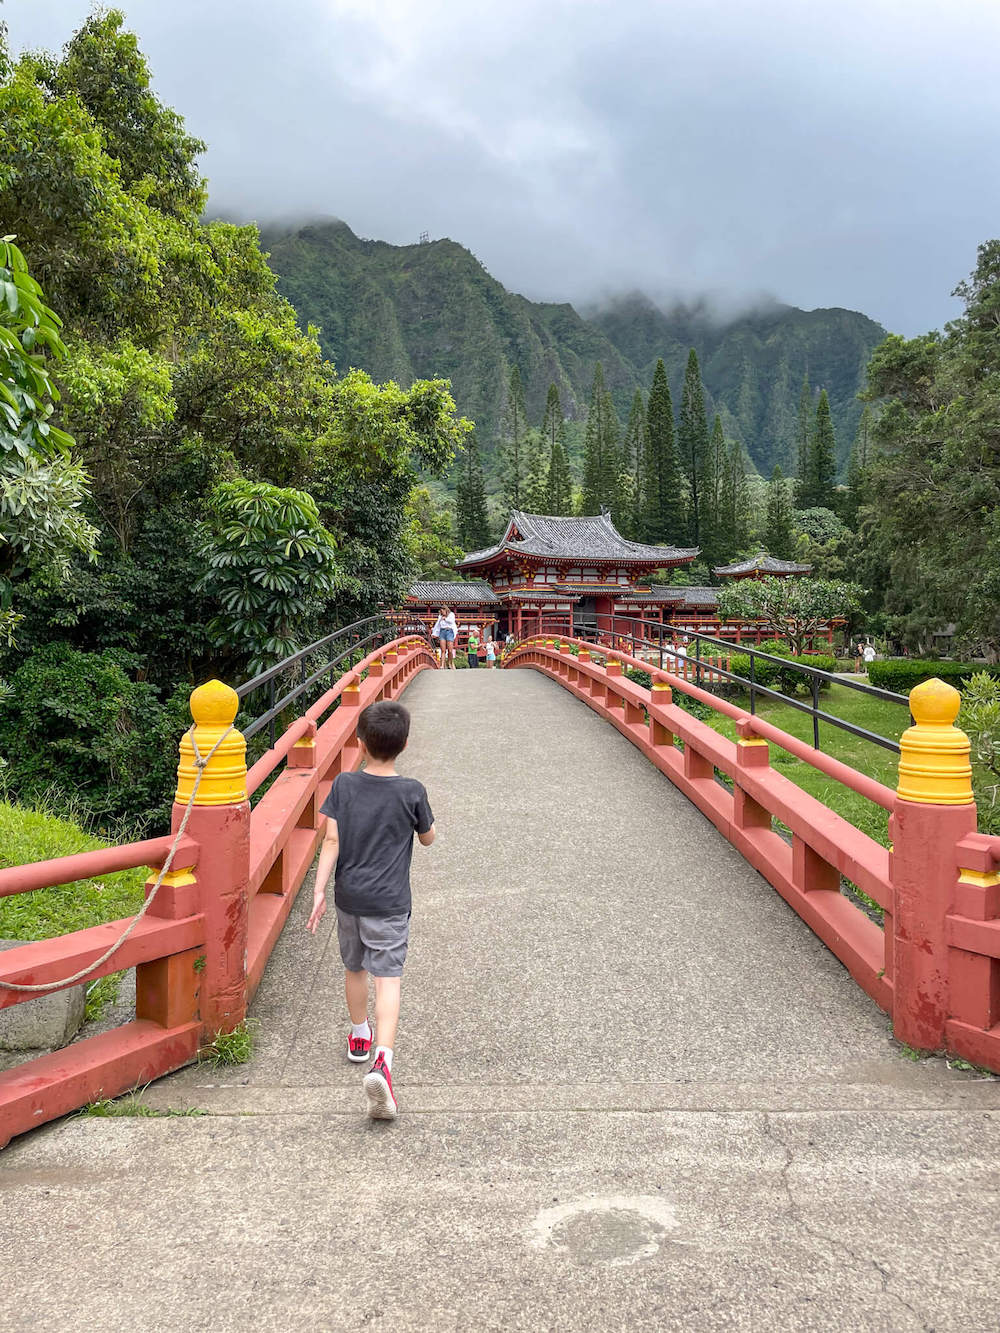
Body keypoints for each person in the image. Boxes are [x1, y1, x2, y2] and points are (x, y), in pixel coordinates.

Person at [307, 700, 435, 1120]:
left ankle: (359, 1036)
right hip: (391, 903)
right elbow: (428, 838)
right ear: (406, 744)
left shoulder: (344, 785)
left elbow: (330, 842)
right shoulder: (412, 791)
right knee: (389, 978)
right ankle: (384, 1060)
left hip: (349, 897)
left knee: (354, 968)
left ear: (359, 743)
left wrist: (319, 891)